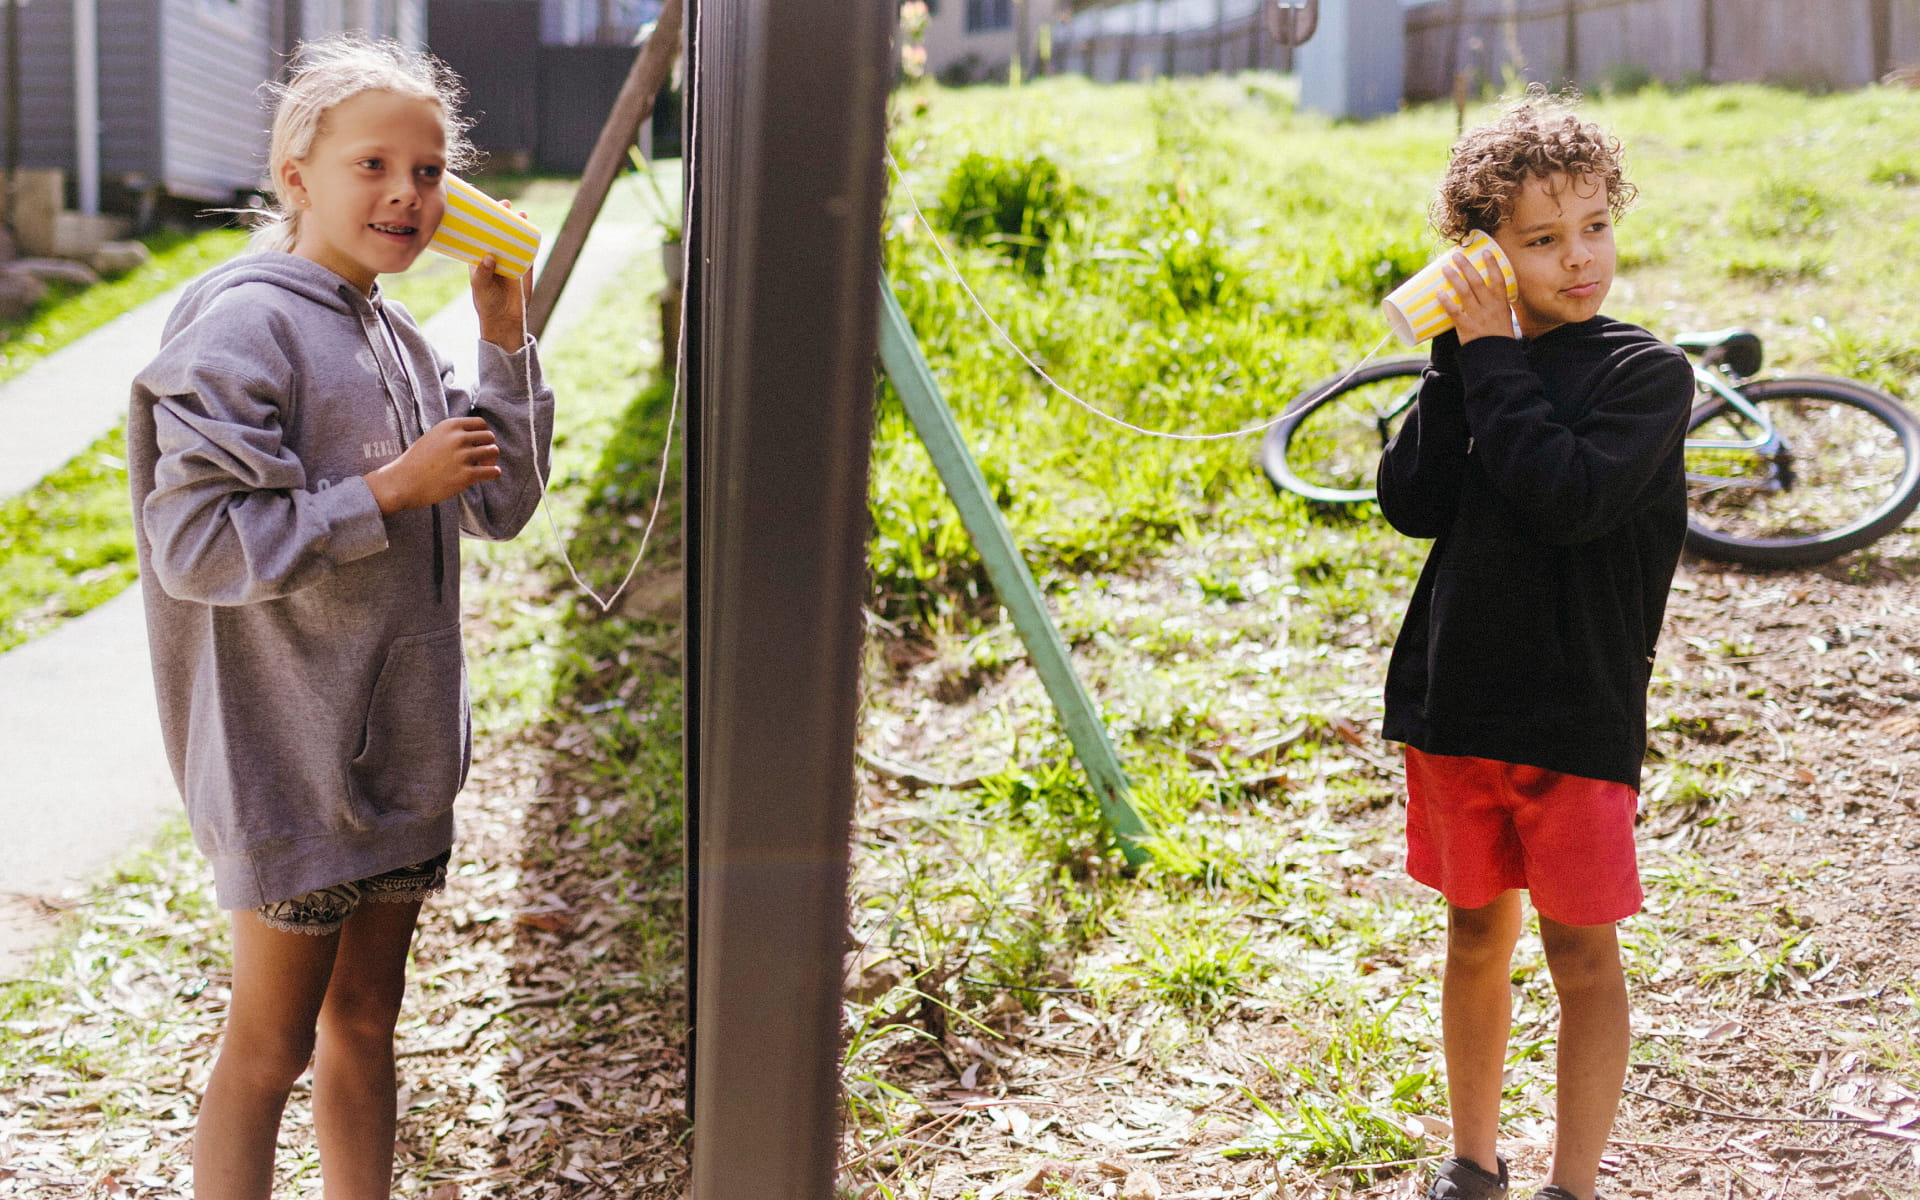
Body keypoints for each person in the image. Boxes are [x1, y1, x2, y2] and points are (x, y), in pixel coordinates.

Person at [127, 34, 553, 1199]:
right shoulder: (242, 329)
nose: (408, 194)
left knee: (368, 1022)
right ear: (296, 175)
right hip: (291, 764)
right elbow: (198, 544)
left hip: (398, 760)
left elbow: (502, 501)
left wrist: (505, 333)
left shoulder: (399, 336)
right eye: (374, 164)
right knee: (267, 1049)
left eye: (429, 171)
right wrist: (384, 491)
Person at [1375, 91, 1693, 1200]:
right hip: (1458, 707)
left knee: (1581, 953)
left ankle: (1574, 1184)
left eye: (1595, 226)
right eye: (1543, 239)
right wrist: (1453, 365)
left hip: (1575, 718)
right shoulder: (1476, 365)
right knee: (1473, 935)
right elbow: (1411, 501)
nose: (1580, 258)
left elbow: (1565, 498)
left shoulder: (1645, 377)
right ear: (1487, 254)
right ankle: (1472, 1161)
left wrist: (1495, 354)